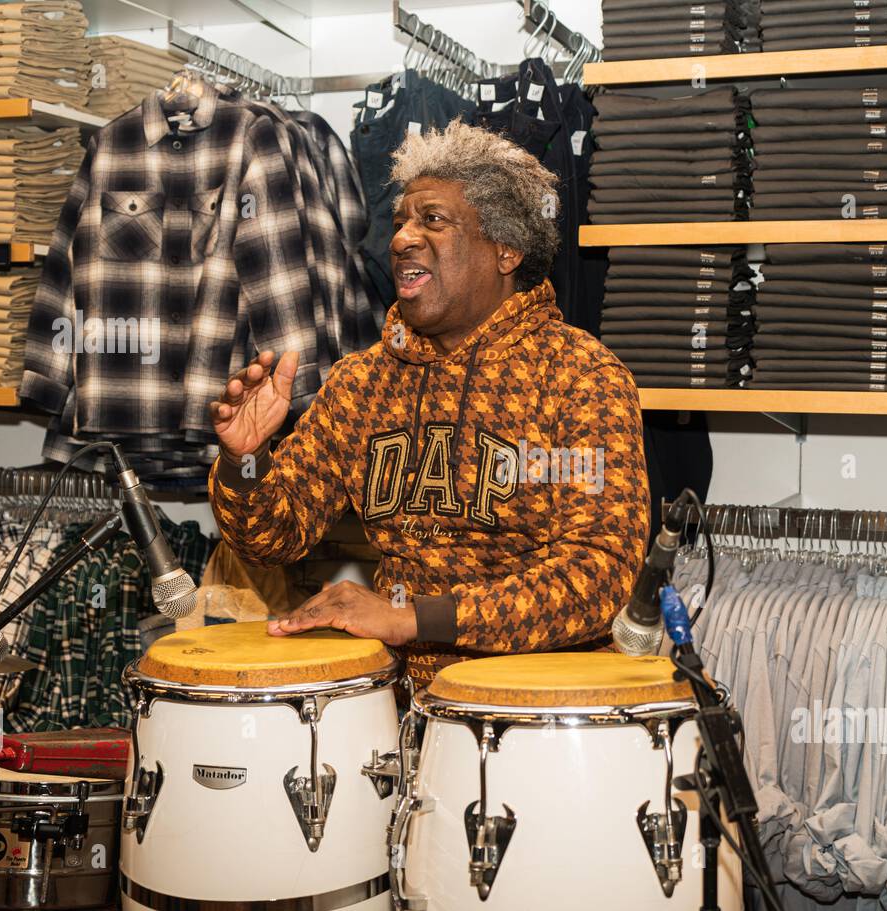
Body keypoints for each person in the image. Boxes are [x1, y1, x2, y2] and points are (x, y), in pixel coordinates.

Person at [208, 120, 649, 686]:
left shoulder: (578, 376)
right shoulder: (362, 382)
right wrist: (248, 460)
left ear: (506, 249)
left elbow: (598, 575)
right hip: (394, 709)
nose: (399, 240)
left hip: (538, 718)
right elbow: (272, 537)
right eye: (399, 223)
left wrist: (413, 619)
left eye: (432, 220)